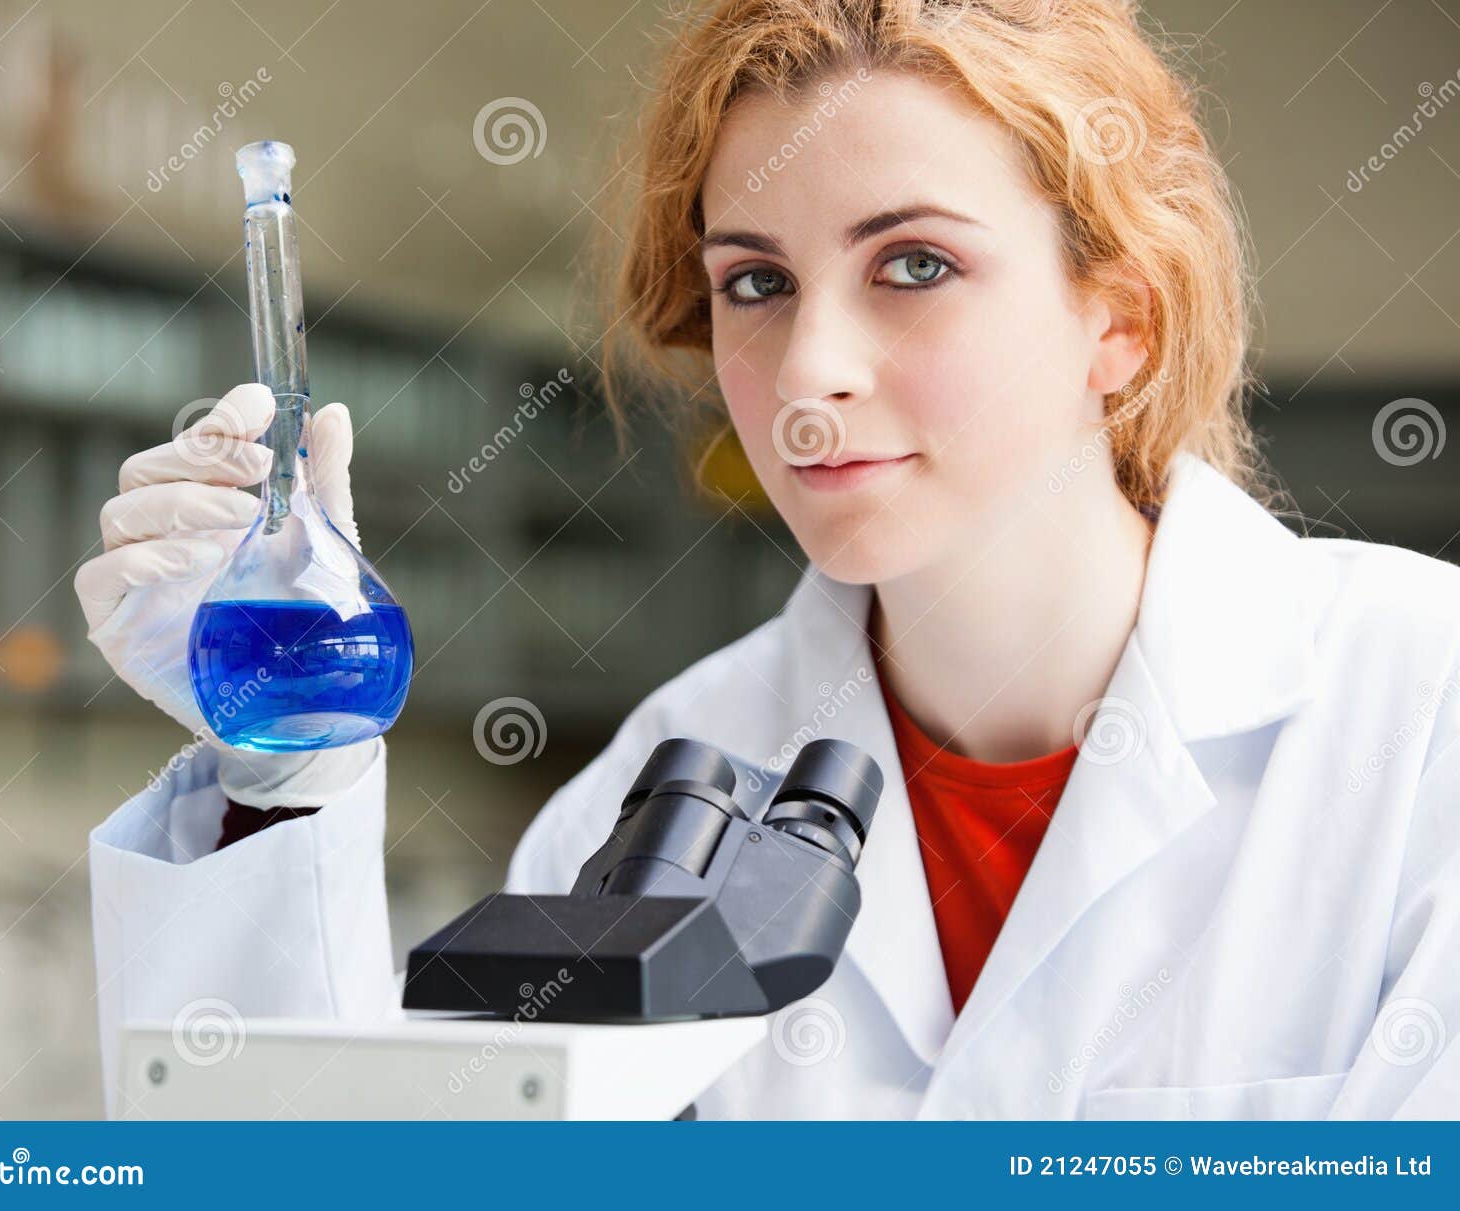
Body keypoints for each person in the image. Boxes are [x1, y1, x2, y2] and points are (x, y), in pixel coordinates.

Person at [74, 0, 1460, 1118]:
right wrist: (283, 781)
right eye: (755, 282)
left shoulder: (1419, 718)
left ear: (1123, 326)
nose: (808, 372)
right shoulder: (656, 789)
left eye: (914, 264)